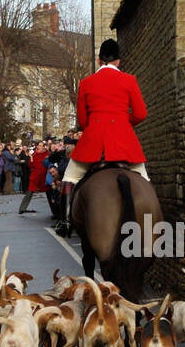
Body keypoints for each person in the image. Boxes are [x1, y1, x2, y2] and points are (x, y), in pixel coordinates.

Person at [59, 38, 149, 236]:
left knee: (70, 177)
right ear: (118, 61)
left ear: (99, 60)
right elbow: (141, 113)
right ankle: (151, 226)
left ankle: (64, 222)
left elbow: (83, 121)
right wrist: (123, 122)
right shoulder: (129, 80)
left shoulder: (86, 83)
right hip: (124, 143)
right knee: (144, 180)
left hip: (94, 143)